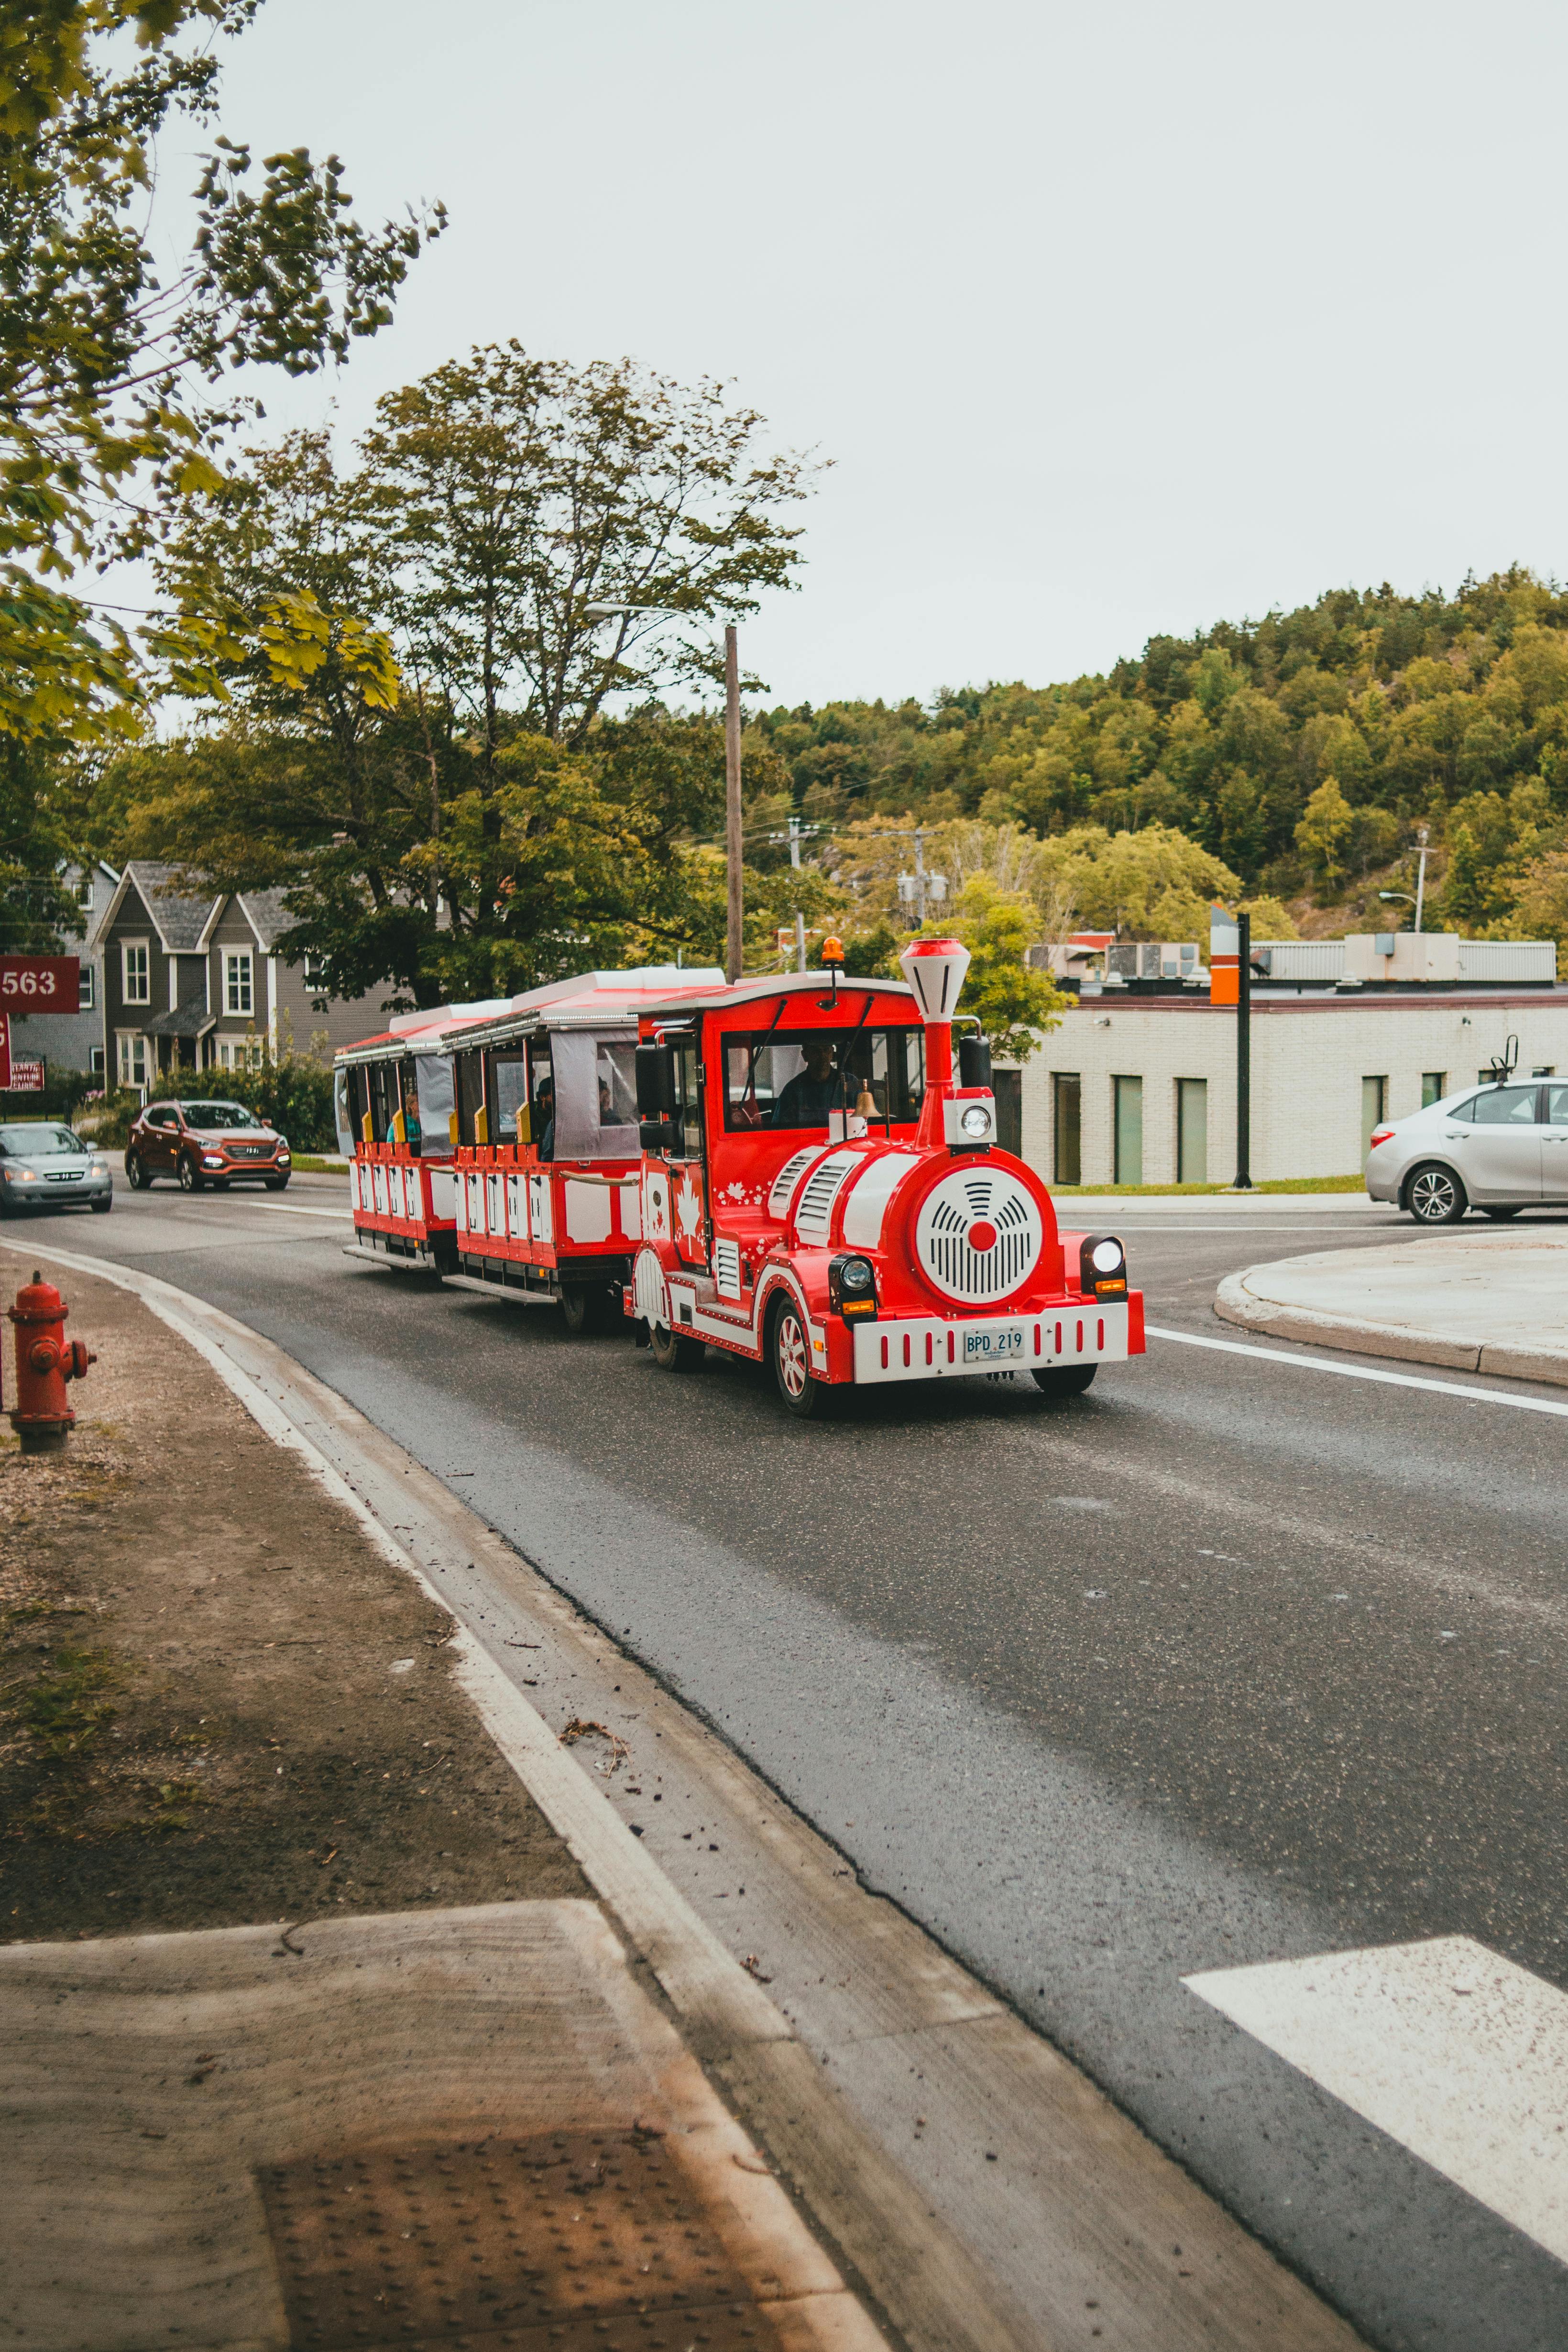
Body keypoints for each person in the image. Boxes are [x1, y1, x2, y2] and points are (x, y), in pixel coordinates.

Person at [770, 1038, 873, 1128]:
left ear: (832, 1053)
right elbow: (780, 1130)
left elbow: (871, 1120)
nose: (822, 1056)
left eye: (826, 1050)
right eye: (816, 1051)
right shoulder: (793, 1090)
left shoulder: (851, 1083)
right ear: (805, 1055)